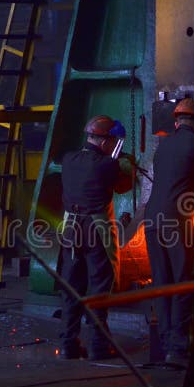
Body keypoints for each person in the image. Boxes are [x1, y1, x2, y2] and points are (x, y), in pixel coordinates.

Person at [144, 98, 194, 367]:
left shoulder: (162, 146)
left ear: (176, 122)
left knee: (162, 283)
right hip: (177, 224)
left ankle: (166, 345)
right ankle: (178, 350)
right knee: (182, 284)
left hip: (152, 222)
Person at [57, 115, 134, 360]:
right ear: (105, 142)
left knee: (72, 286)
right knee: (100, 286)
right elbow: (124, 186)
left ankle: (69, 344)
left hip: (70, 229)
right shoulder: (108, 165)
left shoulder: (68, 160)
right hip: (95, 229)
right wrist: (126, 164)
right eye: (112, 143)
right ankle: (98, 346)